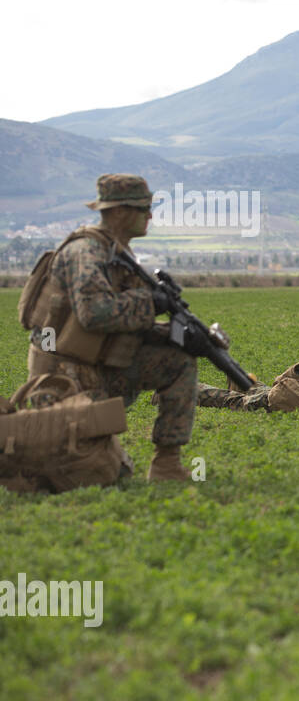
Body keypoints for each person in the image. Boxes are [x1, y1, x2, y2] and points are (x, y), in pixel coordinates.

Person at [21, 174, 196, 481]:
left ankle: (167, 465)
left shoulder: (117, 253)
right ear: (118, 211)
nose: (150, 215)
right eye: (143, 209)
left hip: (99, 366)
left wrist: (174, 334)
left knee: (178, 361)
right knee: (104, 472)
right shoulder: (86, 252)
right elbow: (95, 314)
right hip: (65, 376)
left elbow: (118, 321)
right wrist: (150, 303)